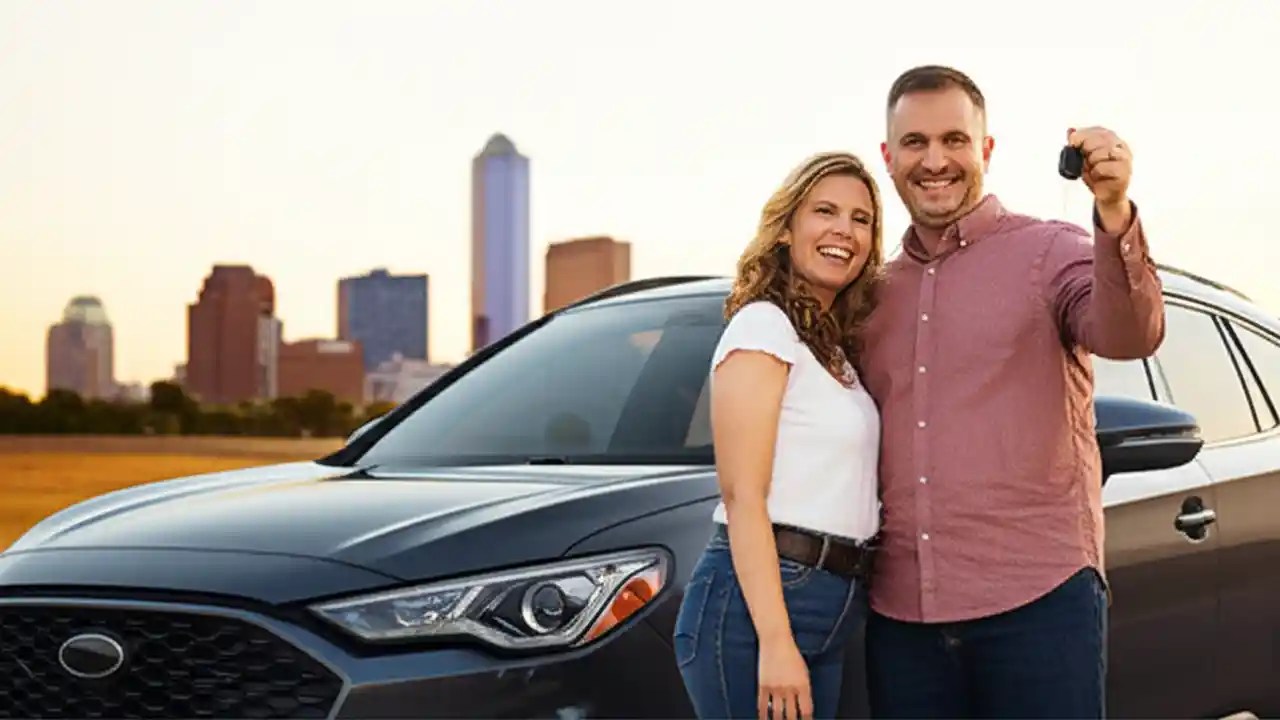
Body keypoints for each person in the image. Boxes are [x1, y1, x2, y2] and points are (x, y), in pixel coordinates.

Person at [856, 64, 1165, 718]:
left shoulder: (1051, 252)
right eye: (915, 143)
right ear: (888, 156)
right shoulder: (871, 295)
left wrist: (1112, 209)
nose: (935, 160)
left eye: (955, 140)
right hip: (901, 621)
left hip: (1039, 607)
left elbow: (1131, 332)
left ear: (986, 150)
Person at [672, 151, 886, 720]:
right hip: (758, 610)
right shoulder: (764, 326)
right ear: (787, 230)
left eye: (861, 219)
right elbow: (743, 497)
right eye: (825, 211)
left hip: (833, 599)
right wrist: (775, 640)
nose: (844, 230)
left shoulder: (831, 348)